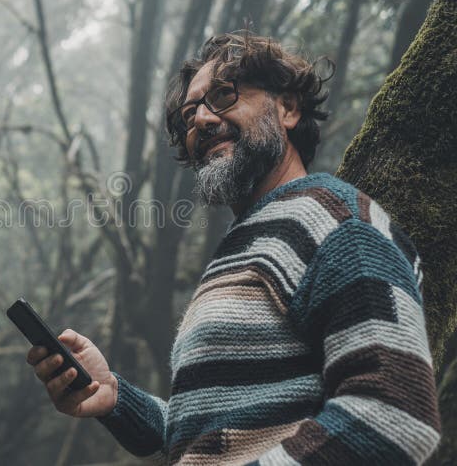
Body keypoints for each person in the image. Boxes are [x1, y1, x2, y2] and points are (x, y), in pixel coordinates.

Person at [25, 32, 441, 465]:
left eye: (223, 96)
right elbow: (216, 439)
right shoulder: (248, 245)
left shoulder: (337, 223)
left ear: (288, 108)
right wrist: (114, 396)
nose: (201, 121)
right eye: (190, 114)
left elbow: (395, 414)